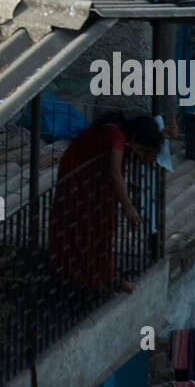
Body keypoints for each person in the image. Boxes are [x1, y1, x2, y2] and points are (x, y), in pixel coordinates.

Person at [49, 110, 163, 295]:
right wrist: (128, 206)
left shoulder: (118, 135)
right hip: (79, 180)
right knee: (82, 229)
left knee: (101, 229)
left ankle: (104, 278)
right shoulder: (117, 138)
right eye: (141, 149)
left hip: (94, 182)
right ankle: (85, 281)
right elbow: (115, 172)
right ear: (134, 138)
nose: (139, 154)